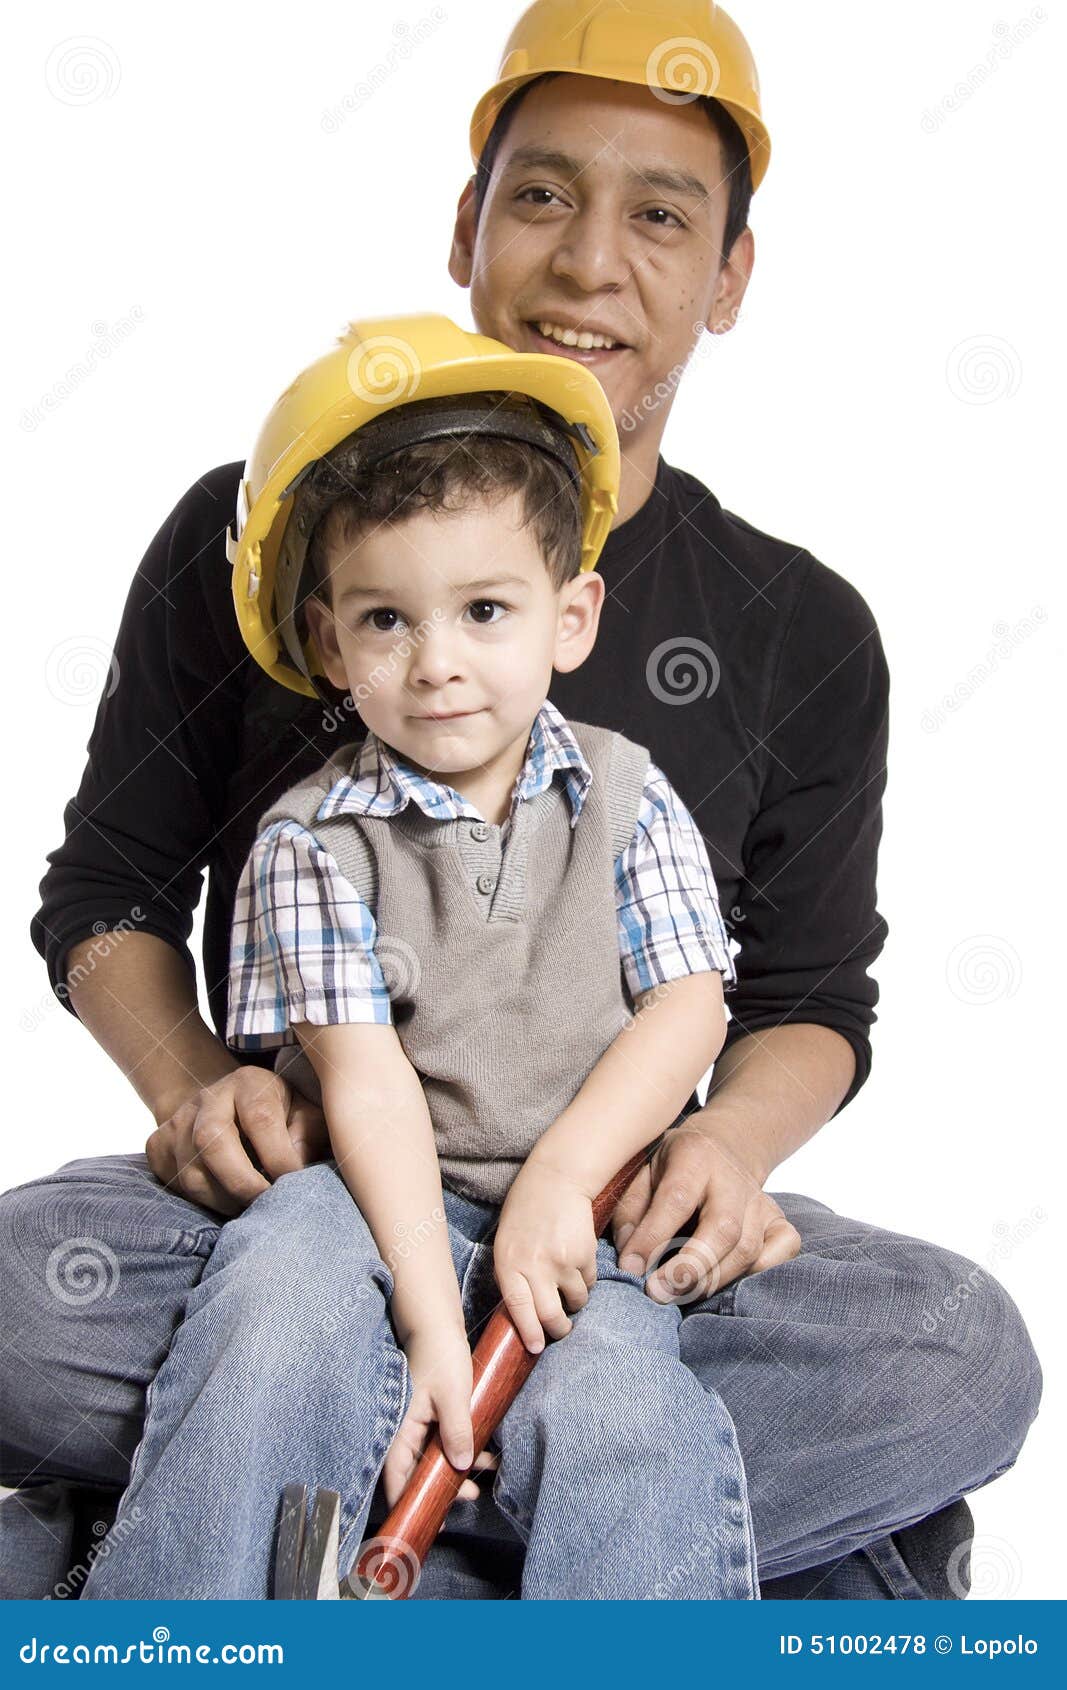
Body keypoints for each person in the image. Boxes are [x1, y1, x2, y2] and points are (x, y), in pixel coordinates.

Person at [6, 0, 1039, 1601]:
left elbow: (803, 999)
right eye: (541, 197)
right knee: (27, 1292)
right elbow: (109, 895)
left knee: (954, 1350)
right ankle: (621, 1529)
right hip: (307, 1199)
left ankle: (290, 1518)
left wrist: (726, 1155)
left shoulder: (795, 627)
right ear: (466, 228)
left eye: (658, 215)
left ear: (727, 279)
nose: (585, 263)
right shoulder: (262, 529)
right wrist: (200, 1085)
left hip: (615, 1229)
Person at [220, 330, 757, 1598]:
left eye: (483, 612)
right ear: (329, 638)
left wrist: (562, 1181)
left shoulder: (628, 793)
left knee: (627, 1403)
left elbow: (688, 1006)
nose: (437, 661)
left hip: (586, 1218)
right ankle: (203, 1620)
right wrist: (426, 1325)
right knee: (266, 1316)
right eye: (386, 621)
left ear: (569, 618)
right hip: (366, 1204)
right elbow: (365, 1086)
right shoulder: (311, 841)